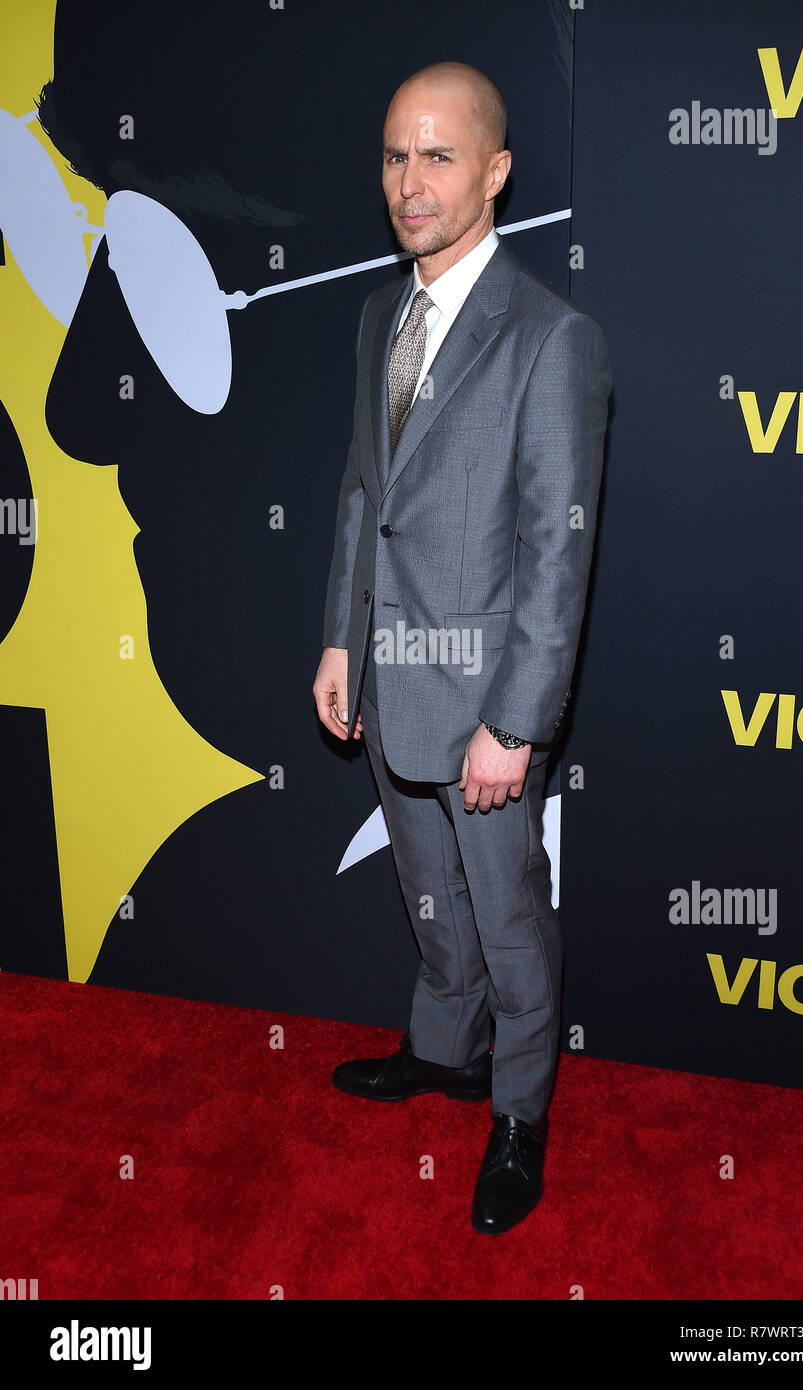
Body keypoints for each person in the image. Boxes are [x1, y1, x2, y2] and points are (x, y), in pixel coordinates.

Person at [313, 60, 611, 1234]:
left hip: (487, 705)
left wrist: (519, 720)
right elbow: (359, 498)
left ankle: (522, 1113)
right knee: (428, 894)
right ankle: (446, 1055)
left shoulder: (554, 337)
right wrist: (342, 643)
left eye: (439, 155)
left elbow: (557, 553)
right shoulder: (379, 314)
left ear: (494, 171)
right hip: (389, 683)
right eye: (395, 154)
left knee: (508, 921)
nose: (410, 181)